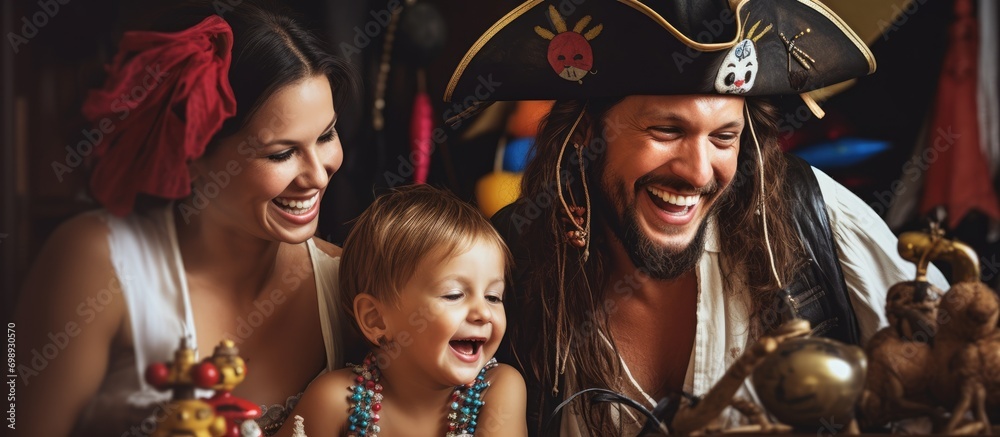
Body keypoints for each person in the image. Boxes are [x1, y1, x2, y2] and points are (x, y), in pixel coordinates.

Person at [443, 1, 950, 435]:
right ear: (586, 133)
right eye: (666, 131)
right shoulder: (512, 261)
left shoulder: (809, 211)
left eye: (723, 138)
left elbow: (952, 375)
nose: (698, 172)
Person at [15, 2, 358, 435]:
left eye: (326, 135)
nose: (318, 175)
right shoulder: (97, 263)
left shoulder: (346, 282)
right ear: (192, 153)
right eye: (282, 153)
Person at [276, 185, 527, 437]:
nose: (483, 313)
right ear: (375, 319)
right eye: (453, 295)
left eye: (493, 297)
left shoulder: (499, 388)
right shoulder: (335, 401)